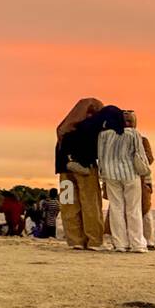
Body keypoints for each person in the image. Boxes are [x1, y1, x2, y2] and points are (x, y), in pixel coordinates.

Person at [55, 98, 115, 251]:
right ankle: (94, 241)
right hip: (86, 170)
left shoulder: (63, 128)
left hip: (64, 172)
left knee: (68, 205)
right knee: (91, 205)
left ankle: (75, 240)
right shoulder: (90, 127)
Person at [97, 109, 150, 252]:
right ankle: (137, 243)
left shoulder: (103, 135)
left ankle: (120, 243)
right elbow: (140, 155)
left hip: (111, 175)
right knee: (133, 209)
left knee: (116, 208)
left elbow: (100, 158)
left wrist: (103, 176)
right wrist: (145, 172)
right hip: (130, 174)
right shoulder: (133, 133)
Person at [139, 132, 155, 250]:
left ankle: (149, 241)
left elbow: (149, 159)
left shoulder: (143, 140)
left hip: (143, 179)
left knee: (146, 209)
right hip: (132, 177)